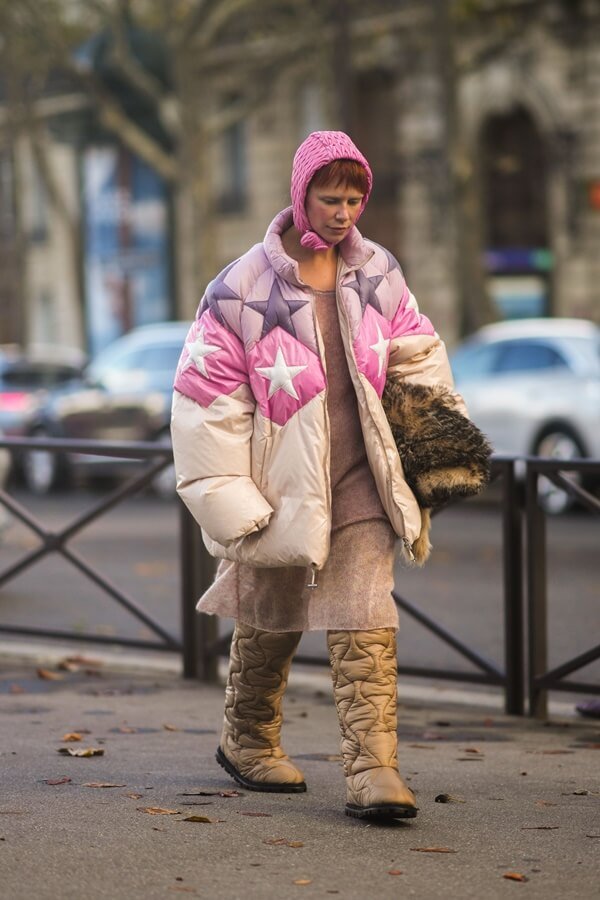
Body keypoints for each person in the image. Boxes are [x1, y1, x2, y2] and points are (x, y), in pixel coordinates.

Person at [171, 130, 468, 821]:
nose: (343, 211)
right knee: (271, 616)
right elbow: (205, 403)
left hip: (364, 476)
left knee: (365, 615)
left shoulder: (378, 270)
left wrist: (443, 451)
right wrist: (232, 501)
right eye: (331, 197)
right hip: (279, 486)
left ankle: (374, 770)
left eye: (355, 197)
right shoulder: (240, 286)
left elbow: (417, 354)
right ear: (301, 195)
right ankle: (246, 740)